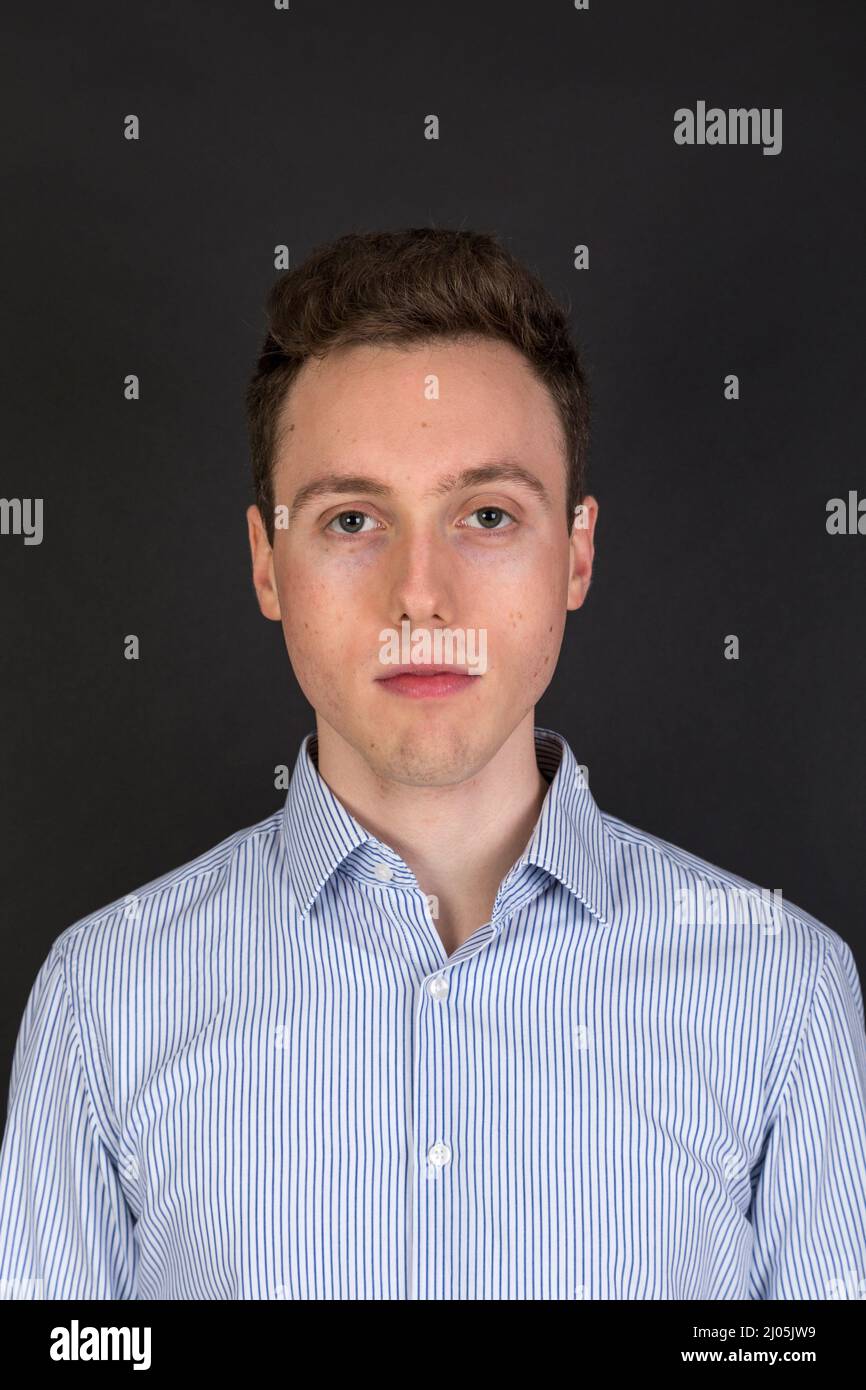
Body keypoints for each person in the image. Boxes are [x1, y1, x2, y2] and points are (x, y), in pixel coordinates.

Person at [1, 228, 864, 1300]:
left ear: (576, 554)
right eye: (352, 519)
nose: (419, 594)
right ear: (267, 564)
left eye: (487, 515)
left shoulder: (784, 995)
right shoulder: (101, 1003)